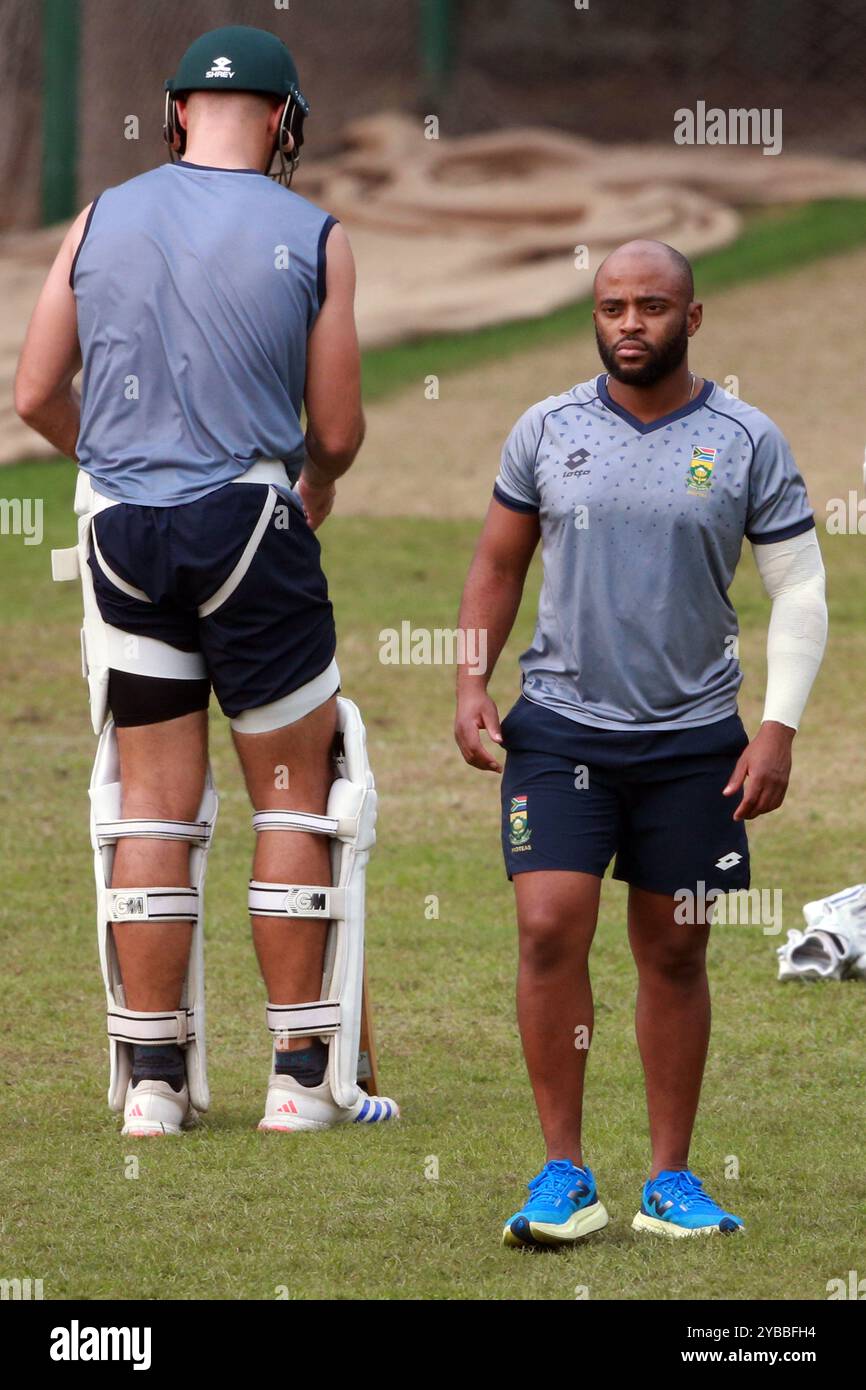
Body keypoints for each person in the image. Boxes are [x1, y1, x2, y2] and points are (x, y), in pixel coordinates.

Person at [15, 24, 397, 1137]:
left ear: (178, 111)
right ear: (285, 123)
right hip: (249, 524)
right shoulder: (317, 234)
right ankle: (297, 1079)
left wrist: (124, 459)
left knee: (150, 802)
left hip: (123, 533)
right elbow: (336, 427)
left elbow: (37, 392)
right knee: (298, 787)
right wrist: (313, 483)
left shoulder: (96, 217)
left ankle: (150, 1087)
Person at [454, 239, 827, 1244]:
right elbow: (497, 561)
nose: (630, 323)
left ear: (691, 319)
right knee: (546, 925)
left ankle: (669, 1178)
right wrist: (465, 679)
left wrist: (777, 729)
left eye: (652, 306)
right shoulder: (544, 428)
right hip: (558, 728)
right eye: (611, 306)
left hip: (694, 741)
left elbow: (798, 588)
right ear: (593, 317)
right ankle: (560, 1173)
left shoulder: (746, 438)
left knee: (673, 949)